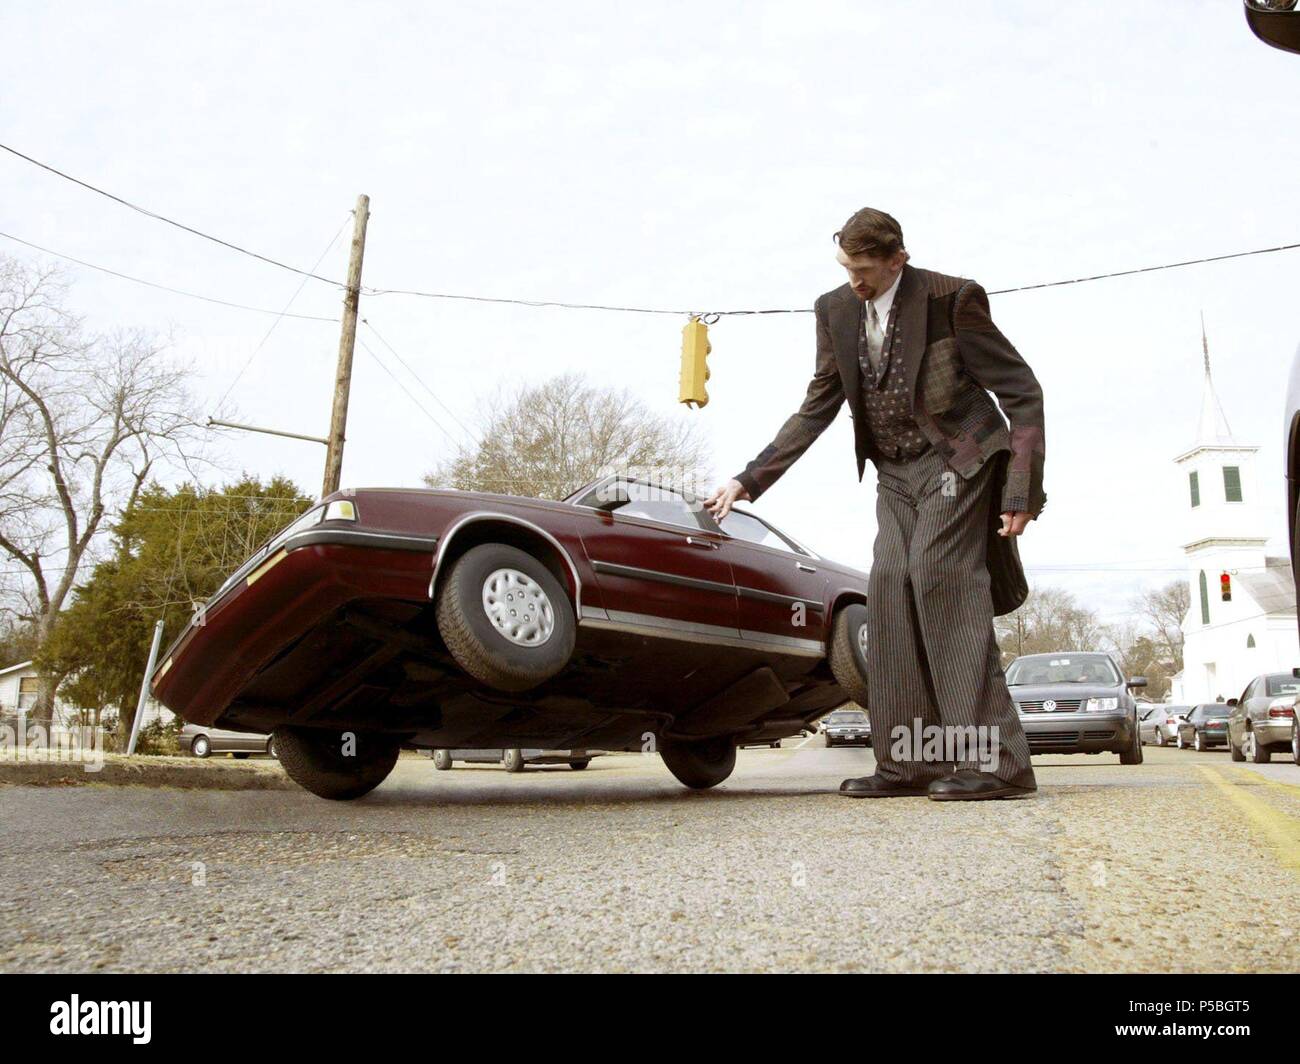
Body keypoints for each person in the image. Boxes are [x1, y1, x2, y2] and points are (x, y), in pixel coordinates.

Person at [705, 207, 1046, 801]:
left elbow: (1022, 391)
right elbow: (819, 404)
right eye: (847, 267)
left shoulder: (952, 298)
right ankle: (910, 761)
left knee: (940, 578)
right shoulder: (834, 309)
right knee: (889, 588)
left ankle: (999, 765)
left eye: (866, 270)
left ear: (898, 260)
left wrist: (1021, 489)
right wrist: (749, 479)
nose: (855, 281)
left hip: (958, 456)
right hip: (895, 471)